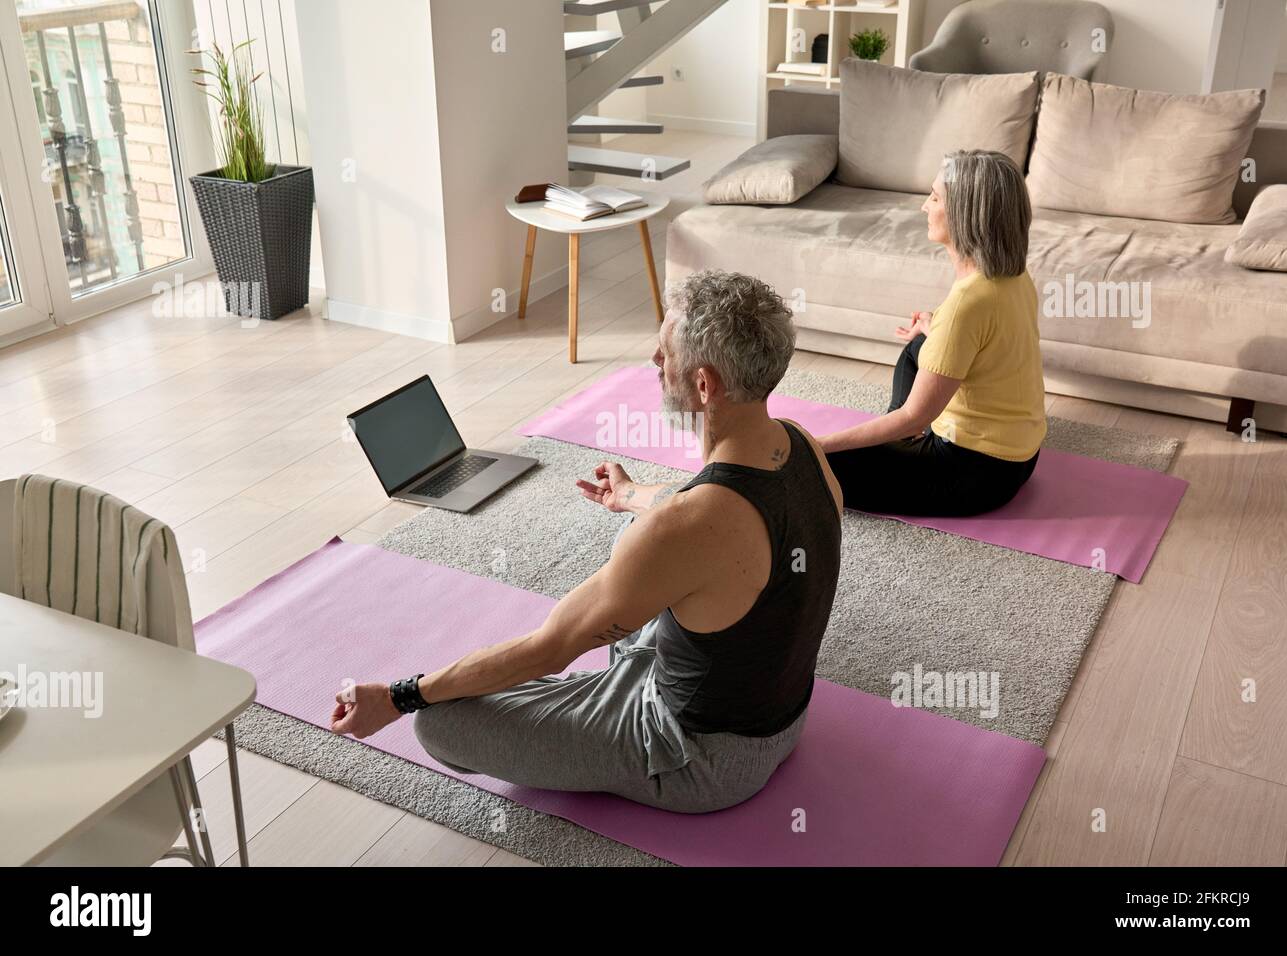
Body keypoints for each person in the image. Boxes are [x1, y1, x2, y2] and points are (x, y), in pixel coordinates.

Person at [329, 270, 844, 814]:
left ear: (704, 385)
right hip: (783, 717)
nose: (653, 360)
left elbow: (550, 649)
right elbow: (709, 510)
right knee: (641, 538)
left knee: (441, 723)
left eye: (664, 350)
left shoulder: (685, 526)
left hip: (699, 756)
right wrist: (630, 496)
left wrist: (397, 696)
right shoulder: (799, 444)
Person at [818, 149, 1046, 517]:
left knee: (820, 469)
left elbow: (915, 417)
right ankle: (899, 443)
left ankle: (895, 442)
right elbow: (990, 340)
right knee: (918, 347)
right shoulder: (1013, 277)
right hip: (1021, 458)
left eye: (936, 197)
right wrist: (934, 328)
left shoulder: (967, 303)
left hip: (976, 473)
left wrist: (818, 445)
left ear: (964, 214)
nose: (925, 206)